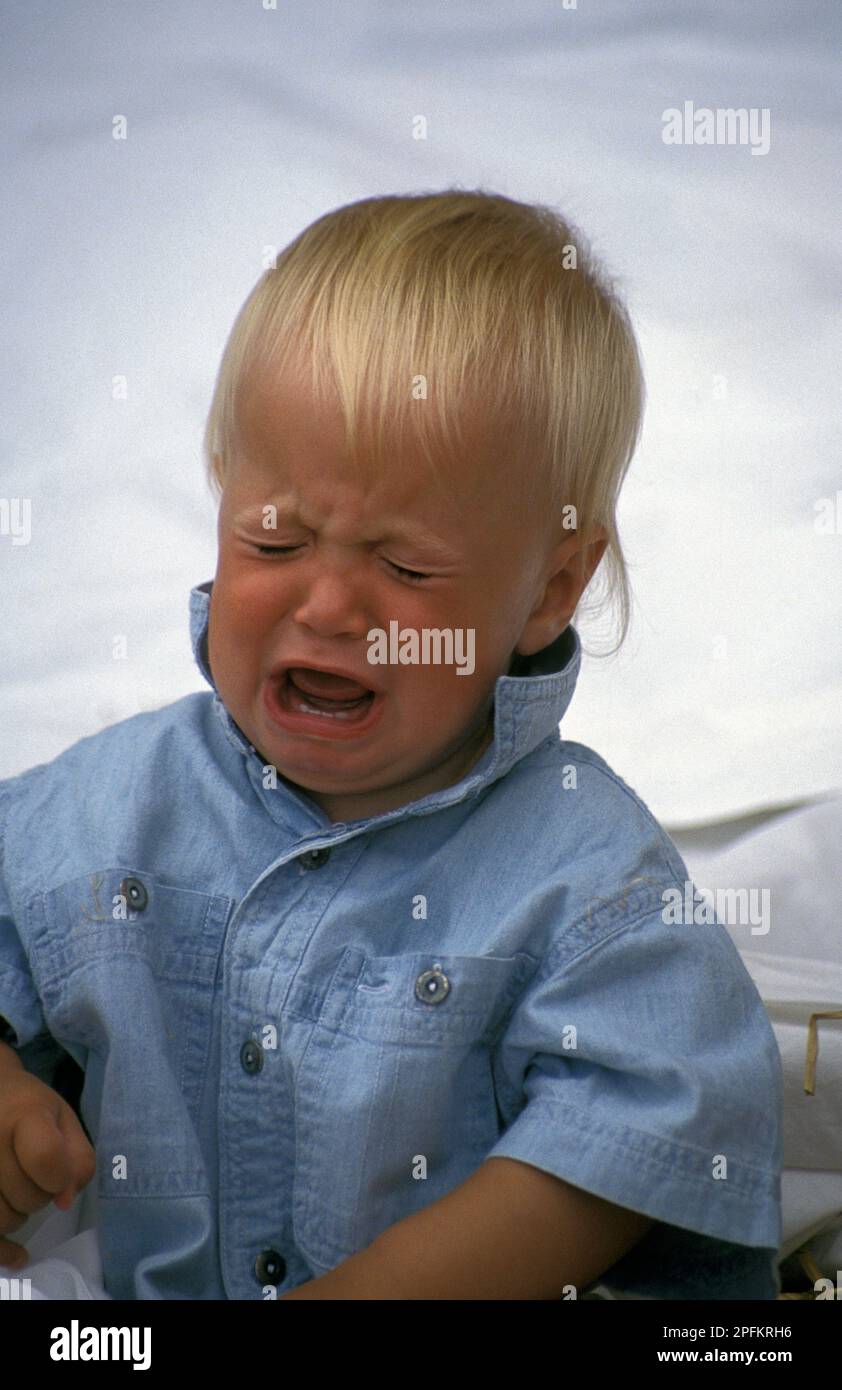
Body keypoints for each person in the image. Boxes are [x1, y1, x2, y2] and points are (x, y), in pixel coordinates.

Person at [0, 190, 782, 1299]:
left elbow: (649, 1121)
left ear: (546, 590)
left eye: (408, 570)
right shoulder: (107, 807)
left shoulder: (585, 875)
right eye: (274, 536)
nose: (328, 604)